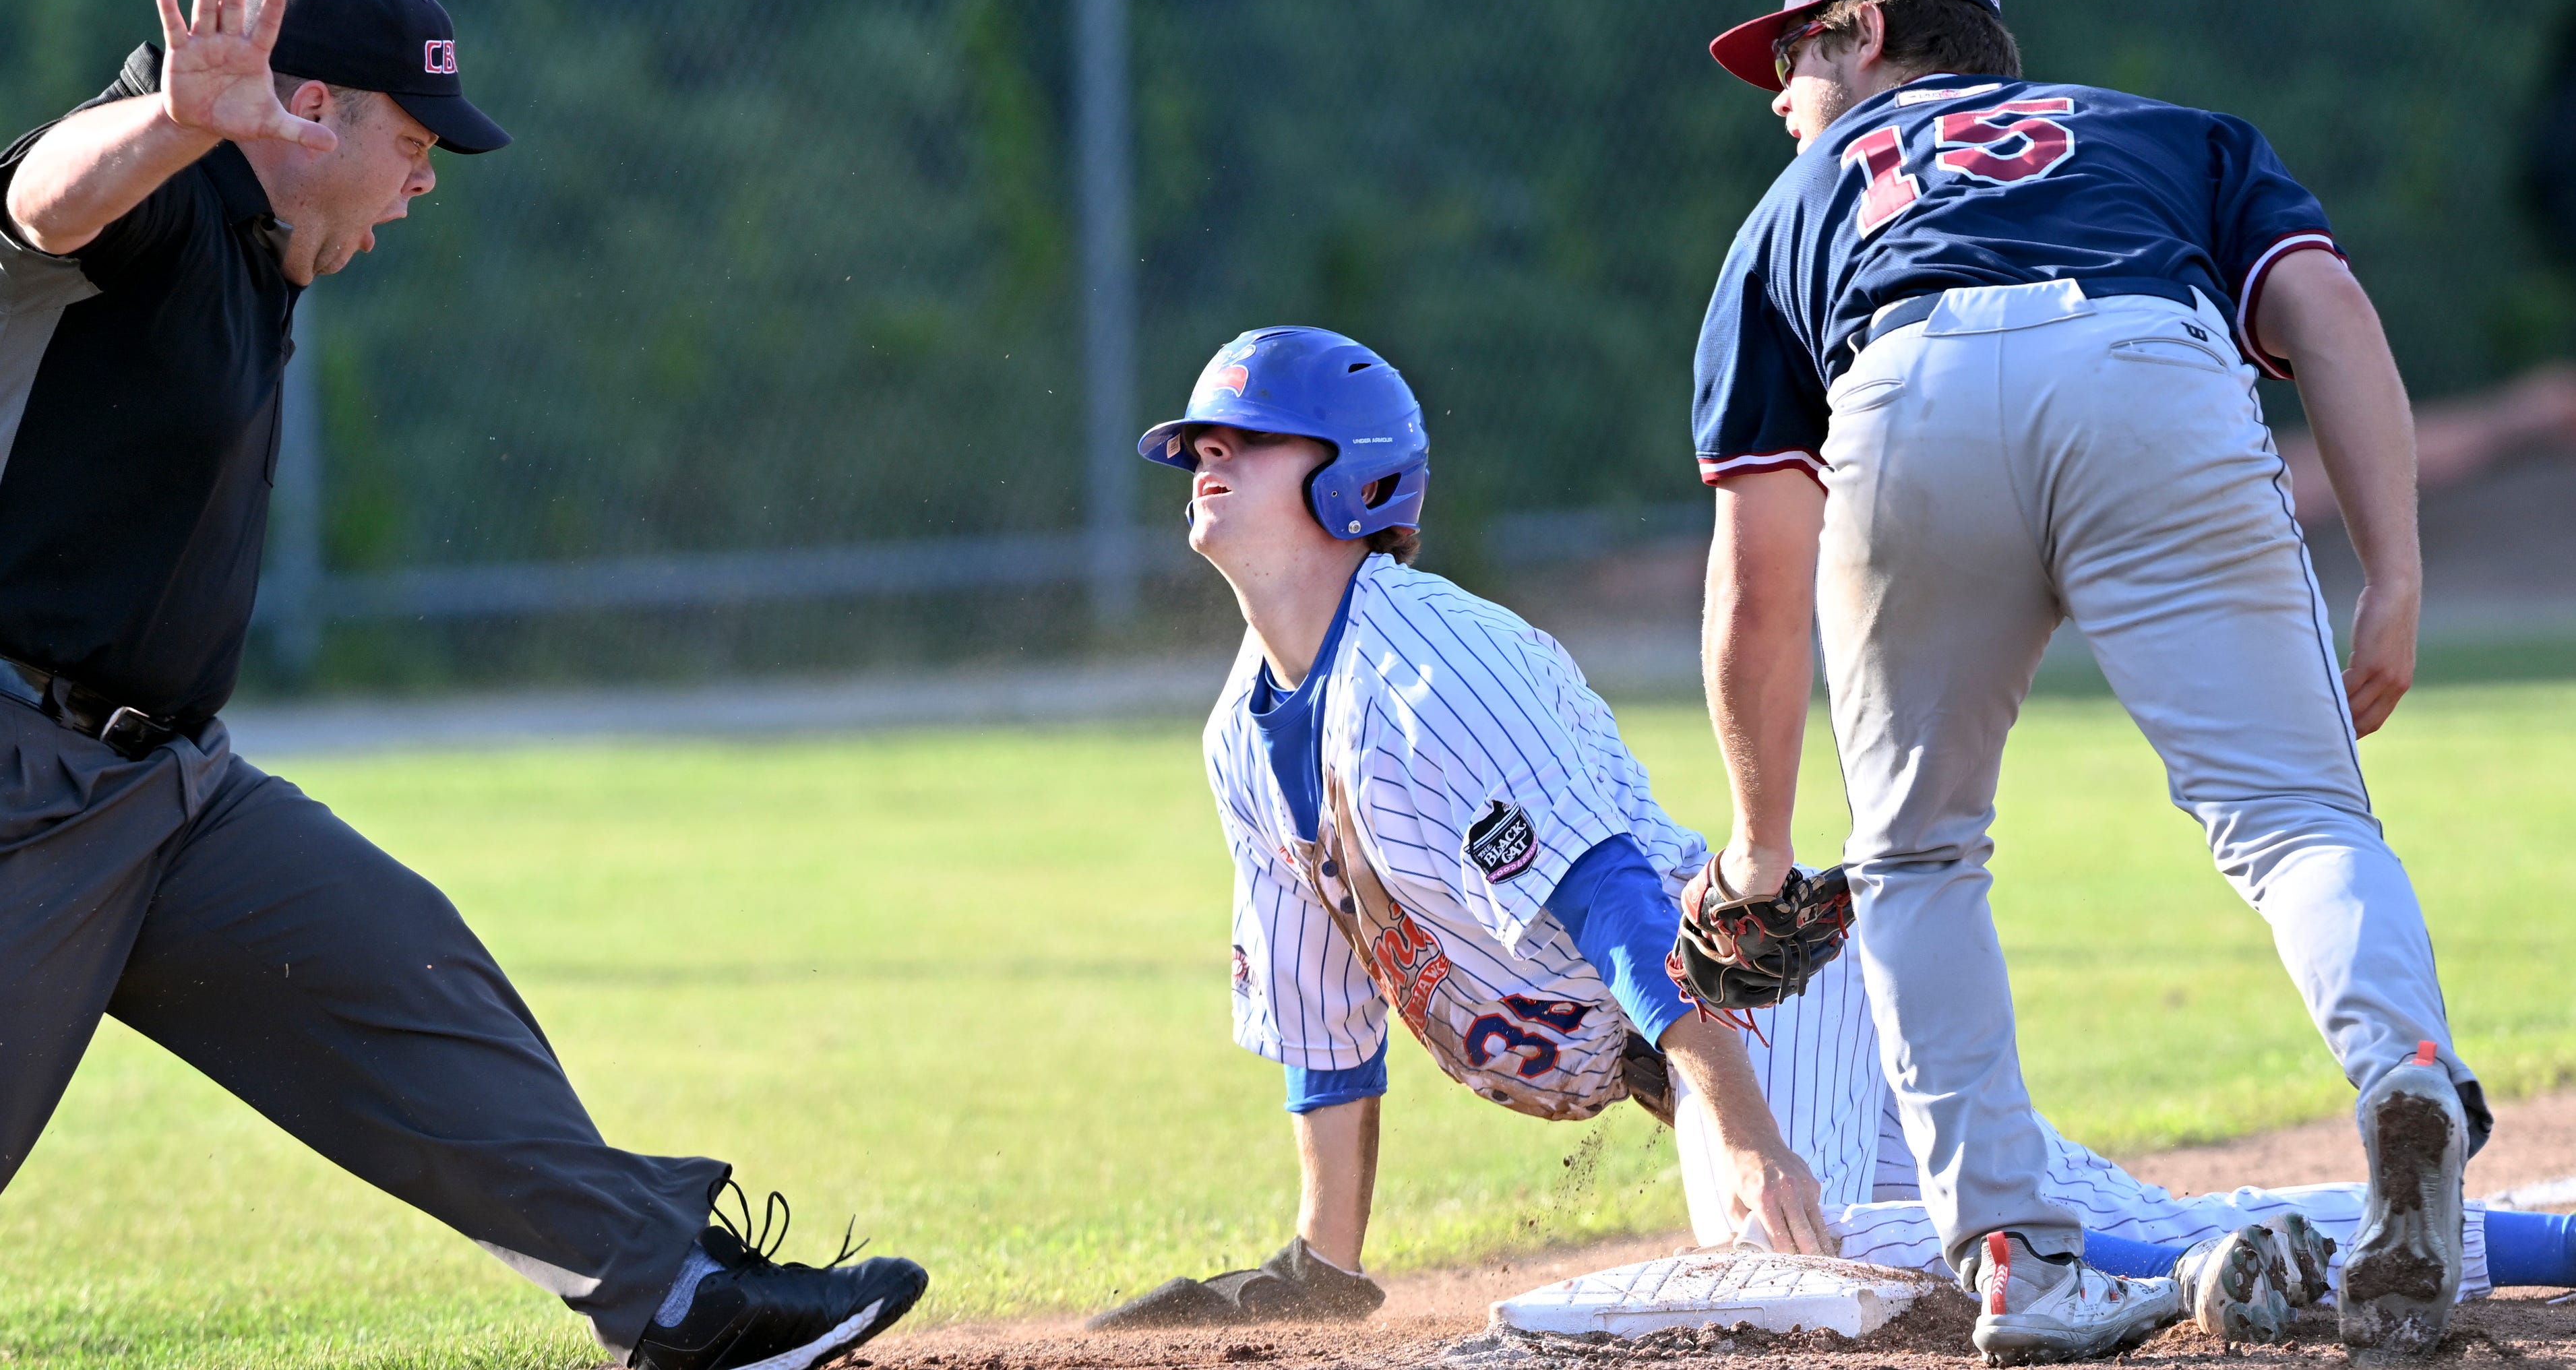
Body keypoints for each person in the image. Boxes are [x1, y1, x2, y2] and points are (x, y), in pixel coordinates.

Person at [1086, 328, 2576, 1348]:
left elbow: (1616, 894)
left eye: (1247, 436)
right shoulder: (1248, 725)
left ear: (1350, 476)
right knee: (2048, 1207)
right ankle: (2407, 1242)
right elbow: (1325, 1010)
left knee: (1831, 1246)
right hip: (1701, 1035)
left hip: (1742, 996)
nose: (1207, 458)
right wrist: (1325, 1263)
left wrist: (1729, 1114)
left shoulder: (1430, 663)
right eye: (1197, 440)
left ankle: (2207, 1280)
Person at [0, 0, 922, 1370]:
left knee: (398, 964)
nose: (423, 183)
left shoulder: (260, 244)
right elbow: (40, 201)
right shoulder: (163, 191)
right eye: (415, 144)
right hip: (21, 791)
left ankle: (669, 1290)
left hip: (173, 792)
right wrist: (188, 119)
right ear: (306, 108)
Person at [1688, 0, 2482, 1362]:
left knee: (1918, 854)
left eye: (1793, 55)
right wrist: (2396, 575)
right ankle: (2404, 1070)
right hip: (2147, 361)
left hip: (1905, 388)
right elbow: (2330, 312)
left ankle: (2020, 1262)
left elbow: (1757, 561)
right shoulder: (2171, 132)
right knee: (2297, 816)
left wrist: (1753, 849)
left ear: (1866, 31)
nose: (1781, 96)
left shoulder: (1798, 204)